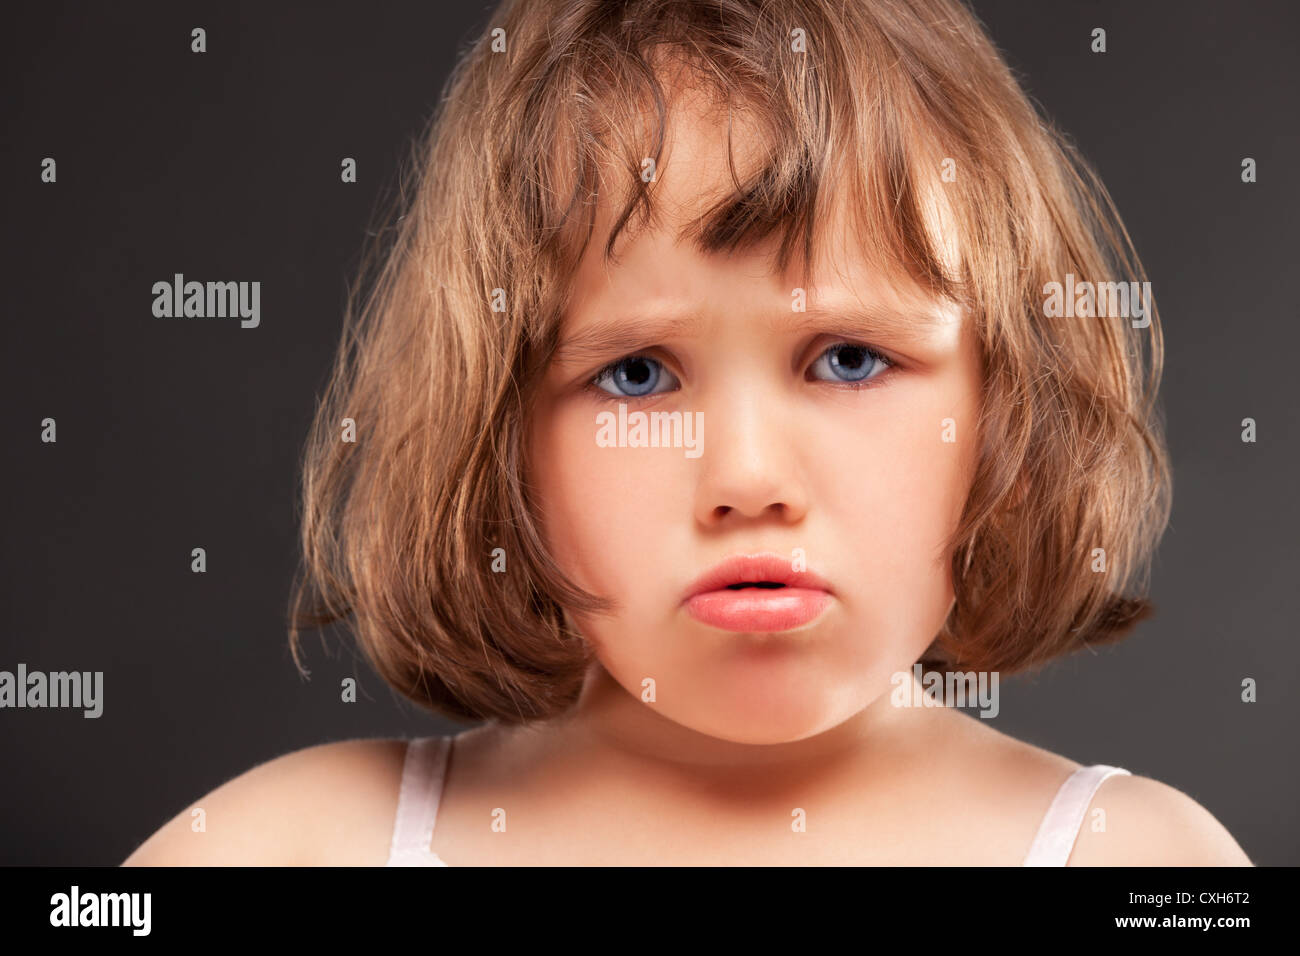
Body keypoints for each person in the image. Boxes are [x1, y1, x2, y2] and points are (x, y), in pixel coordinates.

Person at [124, 0, 1252, 866]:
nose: (748, 477)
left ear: (1005, 406)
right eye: (636, 373)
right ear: (499, 433)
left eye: (849, 358)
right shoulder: (286, 847)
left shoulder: (1142, 861)